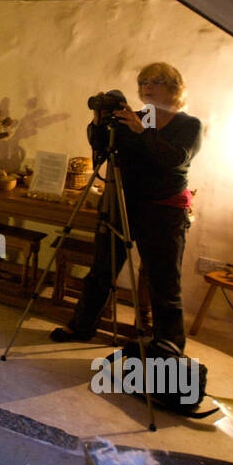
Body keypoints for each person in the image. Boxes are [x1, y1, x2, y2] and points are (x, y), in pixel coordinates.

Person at [49, 63, 202, 353]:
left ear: (174, 86)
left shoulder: (188, 125)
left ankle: (168, 347)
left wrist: (142, 132)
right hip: (122, 201)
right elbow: (102, 148)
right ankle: (82, 326)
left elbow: (175, 159)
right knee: (101, 270)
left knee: (164, 280)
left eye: (155, 81)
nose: (146, 86)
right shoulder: (135, 117)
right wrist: (98, 122)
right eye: (143, 81)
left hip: (163, 210)